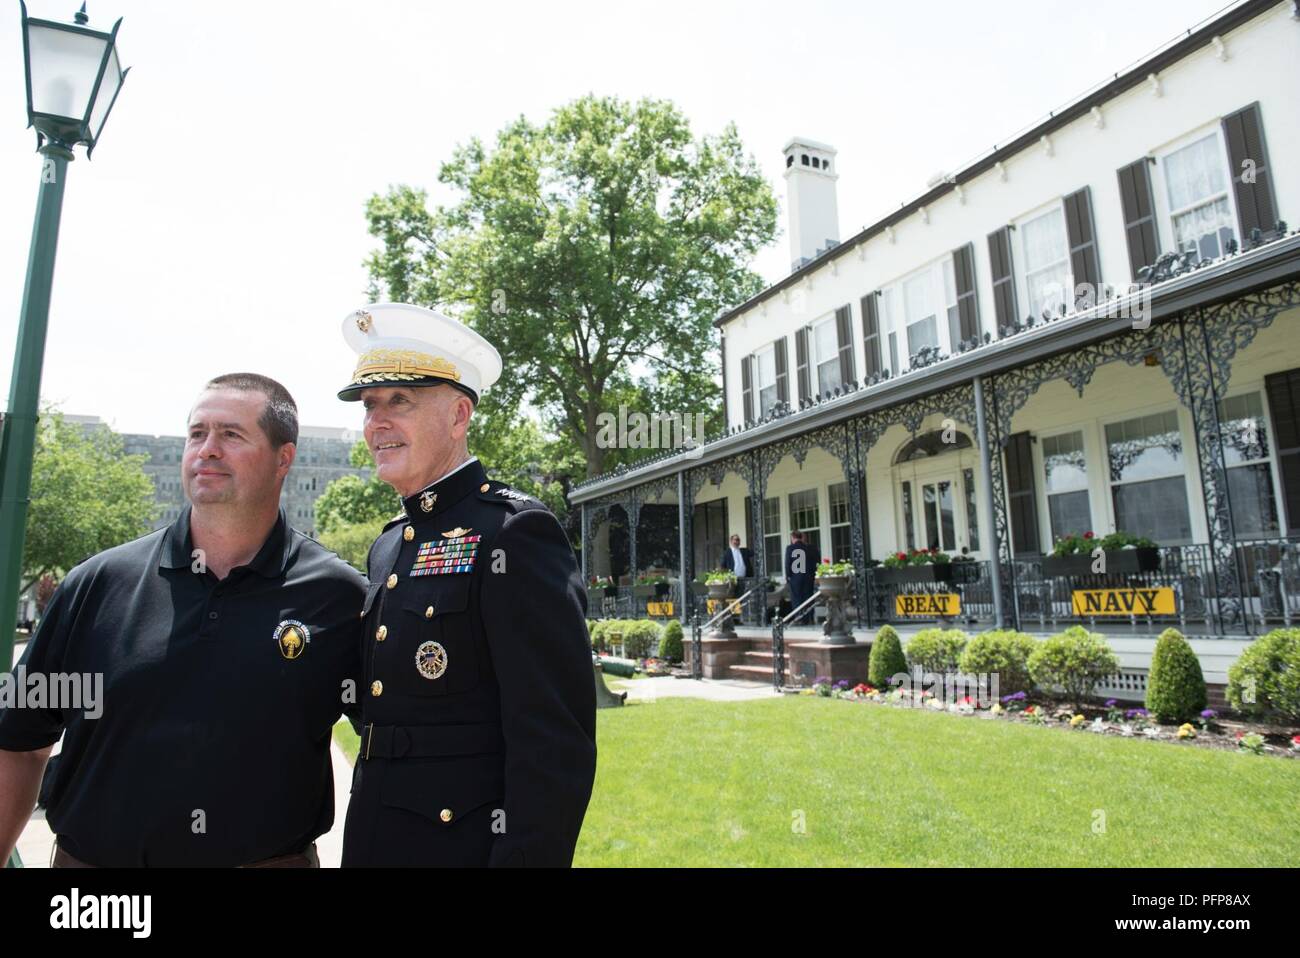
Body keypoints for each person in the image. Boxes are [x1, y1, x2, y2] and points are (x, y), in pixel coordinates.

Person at [0, 374, 366, 867]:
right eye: (197, 434)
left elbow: (399, 750)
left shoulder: (339, 597)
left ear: (285, 458)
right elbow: (17, 745)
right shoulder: (96, 584)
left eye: (231, 435)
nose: (207, 450)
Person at [336, 303, 597, 868]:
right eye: (369, 406)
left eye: (399, 401)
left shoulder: (513, 533)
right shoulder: (389, 544)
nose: (376, 423)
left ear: (458, 416)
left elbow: (554, 746)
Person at [784, 530, 815, 624]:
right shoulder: (808, 548)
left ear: (793, 537)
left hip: (795, 577)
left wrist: (788, 575)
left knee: (796, 597)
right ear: (801, 537)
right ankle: (809, 618)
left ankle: (799, 618)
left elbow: (787, 563)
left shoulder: (790, 548)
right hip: (807, 576)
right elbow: (812, 562)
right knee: (808, 597)